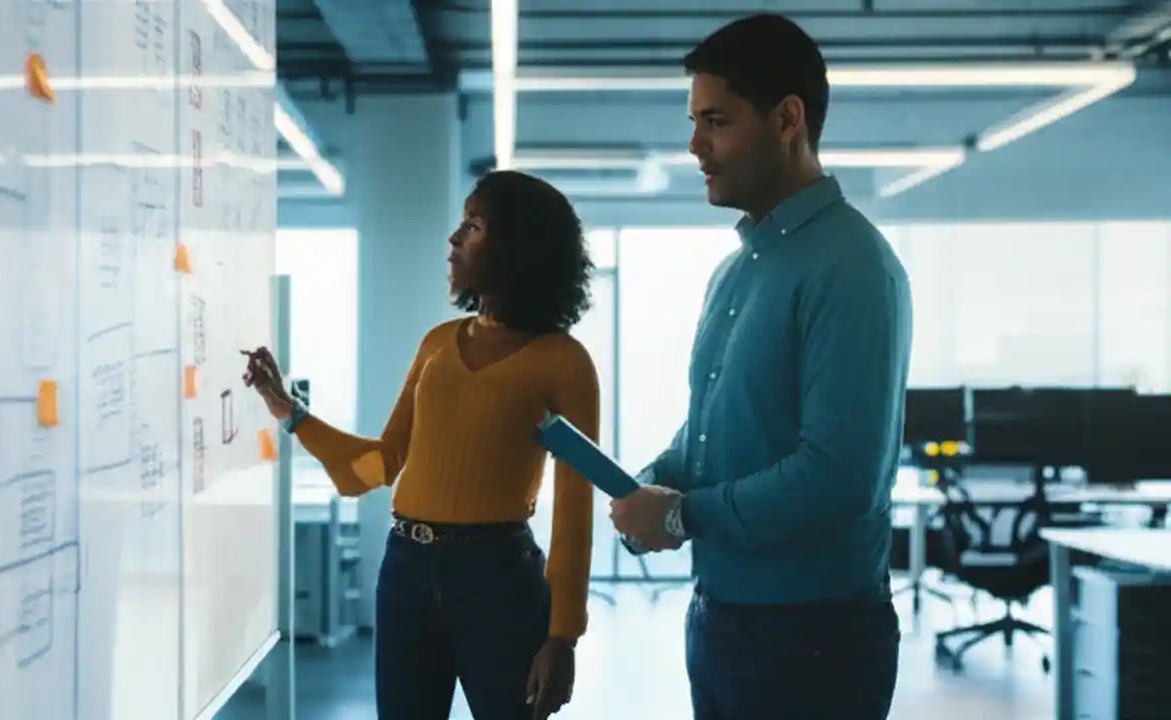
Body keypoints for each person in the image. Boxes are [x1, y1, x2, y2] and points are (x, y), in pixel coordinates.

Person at [608, 13, 912, 720]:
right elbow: (717, 428)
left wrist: (682, 517)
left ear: (787, 119)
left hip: (813, 641)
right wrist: (659, 479)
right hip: (723, 621)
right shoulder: (735, 271)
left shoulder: (854, 267)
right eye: (693, 121)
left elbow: (838, 476)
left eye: (715, 120)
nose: (694, 145)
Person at [243, 170, 599, 720]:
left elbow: (576, 508)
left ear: (515, 249)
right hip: (405, 569)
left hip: (499, 578)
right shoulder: (437, 344)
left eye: (474, 226)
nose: (455, 240)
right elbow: (378, 464)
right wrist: (290, 413)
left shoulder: (564, 361)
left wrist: (563, 637)